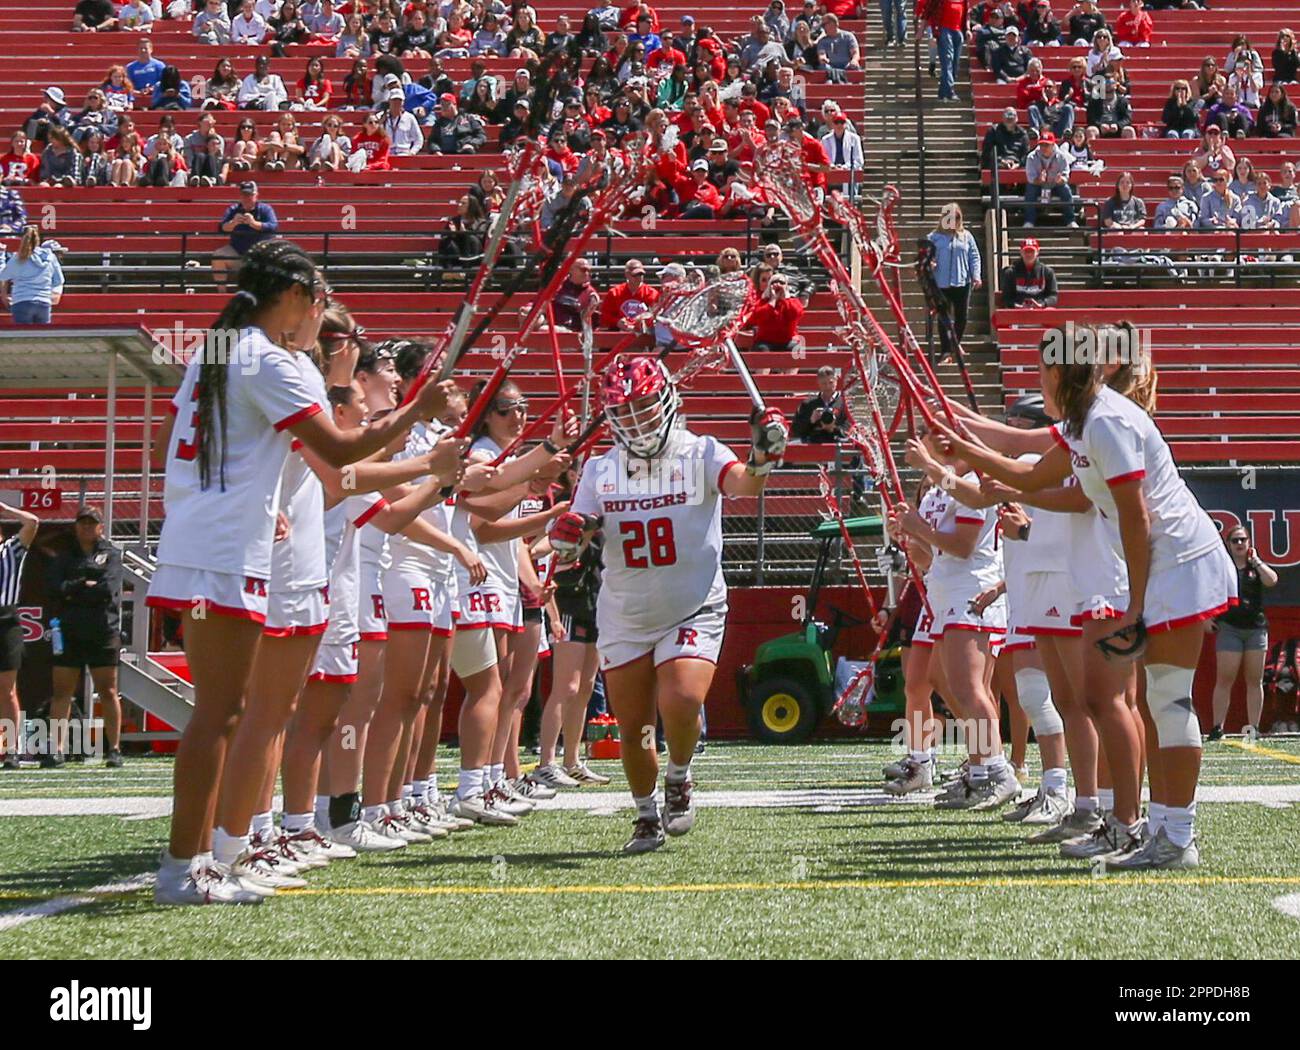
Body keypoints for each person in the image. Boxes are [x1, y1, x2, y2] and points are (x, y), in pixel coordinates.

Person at [146, 240, 455, 905]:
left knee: (227, 713)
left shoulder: (220, 349)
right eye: (319, 303)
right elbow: (341, 448)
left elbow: (176, 439)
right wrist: (417, 417)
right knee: (219, 715)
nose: (323, 318)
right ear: (294, 299)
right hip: (225, 549)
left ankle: (207, 860)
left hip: (207, 537)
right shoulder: (267, 358)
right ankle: (184, 866)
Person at [936, 323, 1237, 869]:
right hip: (1164, 565)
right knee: (1156, 702)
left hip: (1180, 563)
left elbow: (1136, 517)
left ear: (1061, 371)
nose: (1037, 379)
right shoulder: (1085, 423)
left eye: (1041, 368)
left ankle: (1177, 837)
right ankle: (1165, 831)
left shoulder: (1107, 423)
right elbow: (1029, 480)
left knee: (1168, 702)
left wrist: (1136, 606)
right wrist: (963, 446)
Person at [553, 355, 787, 853]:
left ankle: (679, 775)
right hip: (626, 611)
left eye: (643, 407)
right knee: (635, 726)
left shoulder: (699, 452)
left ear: (667, 403)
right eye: (625, 411)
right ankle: (644, 812)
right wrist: (568, 537)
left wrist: (764, 457)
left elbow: (745, 483)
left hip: (692, 604)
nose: (636, 421)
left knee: (681, 699)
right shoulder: (601, 468)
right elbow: (577, 534)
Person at [44, 507, 124, 769]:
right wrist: (82, 584)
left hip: (102, 630)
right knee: (62, 692)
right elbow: (57, 588)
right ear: (76, 526)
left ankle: (114, 749)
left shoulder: (111, 554)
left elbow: (107, 589)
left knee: (109, 691)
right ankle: (56, 750)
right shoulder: (65, 556)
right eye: (83, 523)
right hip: (70, 631)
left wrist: (75, 588)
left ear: (101, 526)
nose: (88, 527)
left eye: (93, 523)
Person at [1208, 525, 1279, 739]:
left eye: (1243, 540)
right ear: (1228, 545)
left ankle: (1253, 728)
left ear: (1249, 543)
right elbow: (1208, 593)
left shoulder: (1254, 567)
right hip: (1229, 628)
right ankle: (1217, 727)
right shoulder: (1223, 568)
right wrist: (1207, 619)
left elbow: (1272, 580)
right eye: (1235, 541)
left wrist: (1256, 561)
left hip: (1255, 629)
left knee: (1254, 680)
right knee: (1225, 678)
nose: (1239, 544)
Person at [0, 501, 39, 771]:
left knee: (7, 688)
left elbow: (32, 522)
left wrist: (3, 507)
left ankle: (12, 749)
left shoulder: (11, 550)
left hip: (5, 619)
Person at [927, 202, 982, 359]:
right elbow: (925, 256)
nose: (953, 221)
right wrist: (930, 262)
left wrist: (976, 275)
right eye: (950, 217)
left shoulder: (966, 236)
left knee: (962, 317)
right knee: (944, 318)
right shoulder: (933, 238)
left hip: (962, 282)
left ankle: (955, 344)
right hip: (941, 283)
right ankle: (946, 351)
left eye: (957, 217)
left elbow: (974, 256)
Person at [213, 182, 279, 291]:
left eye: (250, 195)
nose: (247, 198)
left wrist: (254, 223)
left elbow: (273, 226)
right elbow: (222, 227)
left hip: (260, 256)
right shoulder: (233, 209)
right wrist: (233, 223)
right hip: (238, 254)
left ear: (256, 195)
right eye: (244, 195)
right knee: (219, 255)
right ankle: (221, 293)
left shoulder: (265, 209)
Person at [0, 226, 63, 325]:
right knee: (41, 338)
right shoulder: (50, 257)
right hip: (44, 302)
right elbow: (58, 281)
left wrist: (1, 257)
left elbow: (3, 276)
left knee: (22, 337)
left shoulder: (18, 258)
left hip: (22, 300)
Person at [1023, 131, 1076, 227]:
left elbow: (1066, 174)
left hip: (1055, 185)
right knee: (1030, 190)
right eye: (1042, 145)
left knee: (1066, 189)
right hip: (1038, 185)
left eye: (1047, 145)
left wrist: (1061, 180)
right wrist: (1039, 180)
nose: (1044, 148)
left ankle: (1070, 220)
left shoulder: (1061, 156)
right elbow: (1030, 178)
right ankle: (1029, 221)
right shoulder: (1031, 157)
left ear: (1053, 145)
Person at [791, 365, 846, 443]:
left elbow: (850, 429)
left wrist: (834, 428)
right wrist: (810, 420)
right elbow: (796, 430)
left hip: (837, 442)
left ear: (836, 380)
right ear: (818, 383)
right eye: (824, 383)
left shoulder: (844, 403)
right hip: (813, 442)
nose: (828, 386)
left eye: (831, 382)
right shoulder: (808, 403)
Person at [1000, 237, 1058, 307]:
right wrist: (1018, 306)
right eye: (1026, 251)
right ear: (1021, 252)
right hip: (1017, 312)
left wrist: (1042, 304)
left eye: (1032, 251)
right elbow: (1006, 297)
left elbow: (1053, 296)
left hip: (1040, 311)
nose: (1029, 254)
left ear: (1037, 252)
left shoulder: (1047, 272)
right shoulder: (1010, 273)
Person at [981, 106, 1031, 171]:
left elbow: (1026, 154)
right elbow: (987, 152)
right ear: (1003, 119)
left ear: (1016, 119)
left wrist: (1018, 164)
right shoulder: (994, 131)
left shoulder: (1022, 134)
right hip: (998, 163)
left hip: (1017, 163)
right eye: (1007, 119)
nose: (1010, 121)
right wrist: (1002, 161)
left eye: (1012, 119)